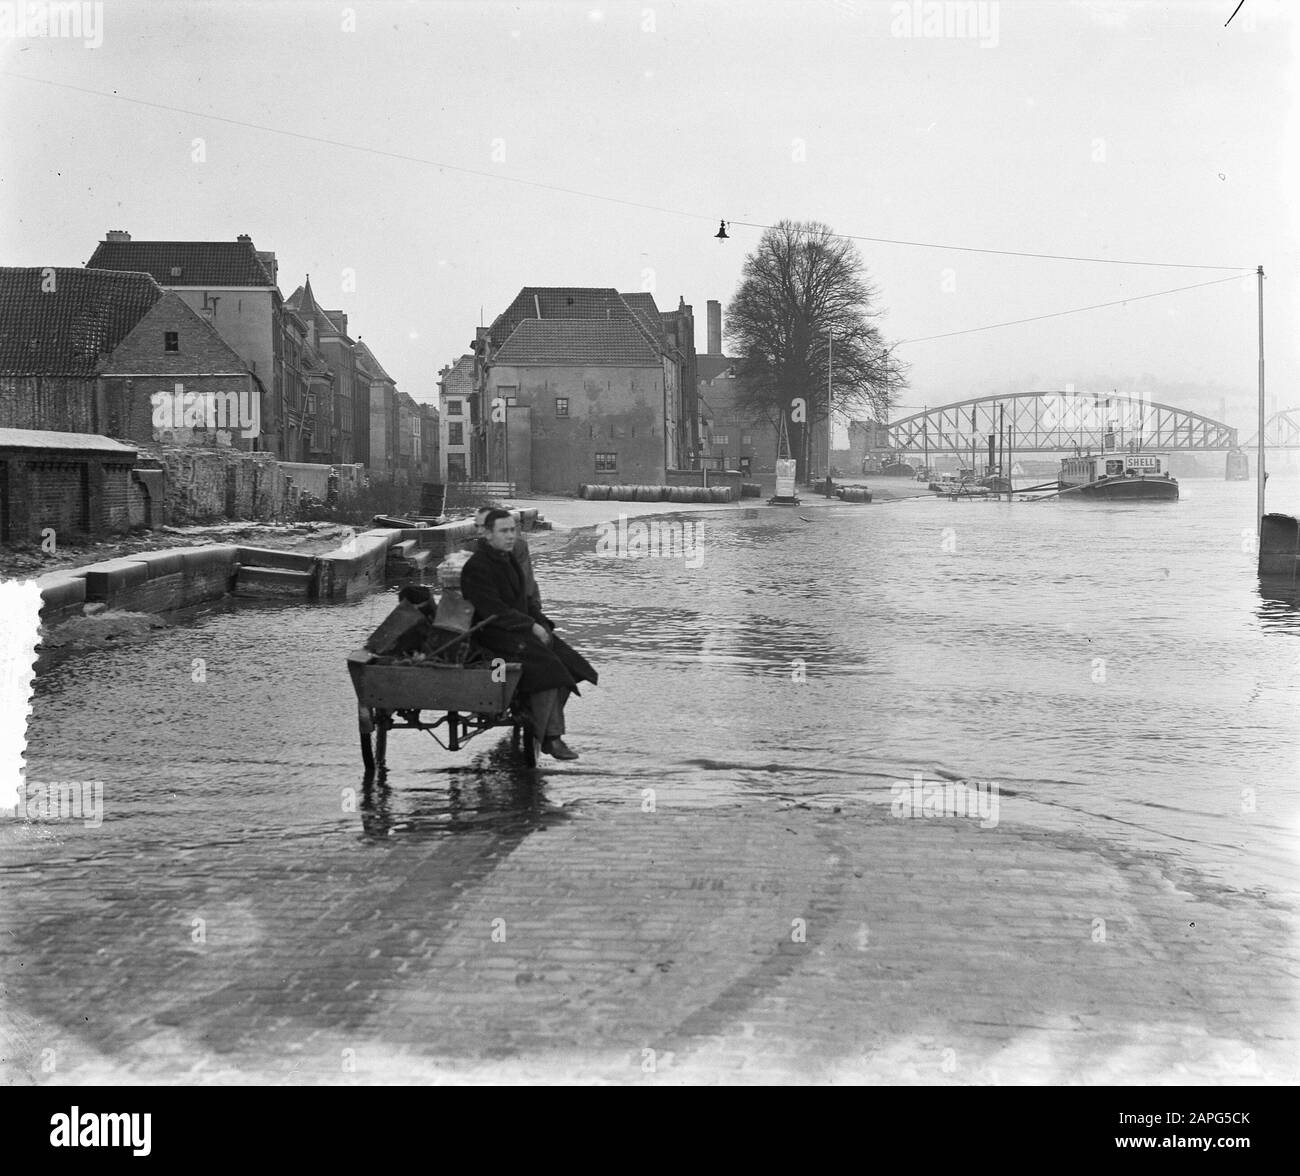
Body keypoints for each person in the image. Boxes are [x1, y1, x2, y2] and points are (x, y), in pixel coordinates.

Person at [460, 509, 596, 760]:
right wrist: (529, 626)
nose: (510, 536)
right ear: (488, 534)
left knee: (572, 664)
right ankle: (551, 738)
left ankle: (537, 716)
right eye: (504, 531)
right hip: (493, 639)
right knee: (549, 667)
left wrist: (542, 623)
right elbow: (494, 610)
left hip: (516, 632)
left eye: (513, 530)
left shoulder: (508, 559)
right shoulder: (476, 567)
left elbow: (524, 599)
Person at [465, 503, 541, 612]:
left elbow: (525, 584)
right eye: (477, 526)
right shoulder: (476, 551)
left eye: (484, 526)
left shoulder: (516, 546)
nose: (479, 531)